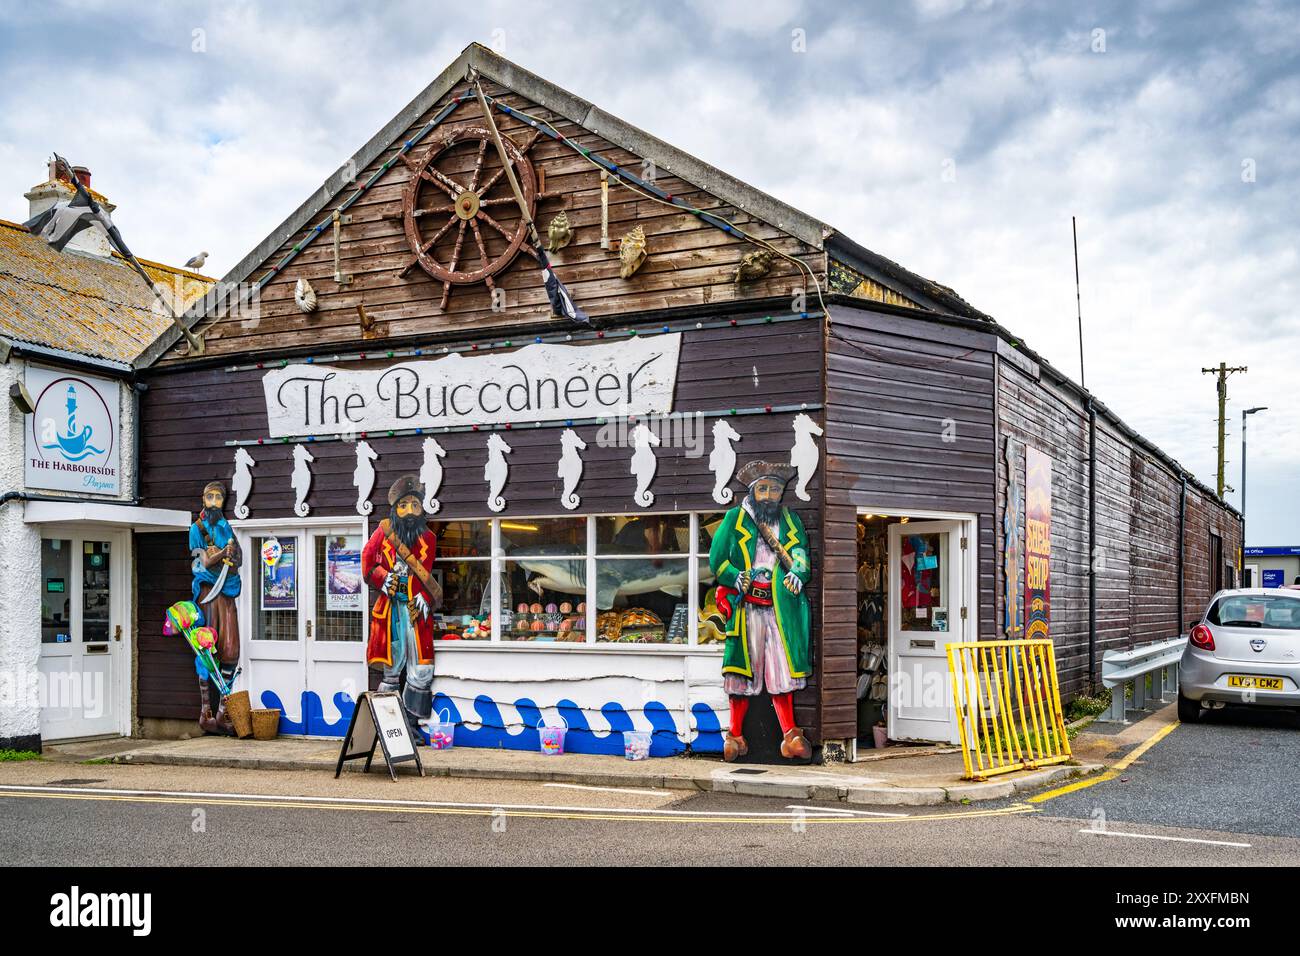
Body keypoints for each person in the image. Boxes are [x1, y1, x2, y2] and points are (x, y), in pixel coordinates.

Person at [708, 460, 812, 761]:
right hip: (747, 608)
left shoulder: (791, 520)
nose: (769, 495)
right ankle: (735, 736)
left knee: (781, 671)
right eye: (763, 489)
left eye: (775, 490)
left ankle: (790, 735)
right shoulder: (734, 518)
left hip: (780, 609)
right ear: (754, 491)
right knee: (744, 672)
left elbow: (801, 553)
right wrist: (734, 576)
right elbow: (718, 560)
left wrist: (798, 573)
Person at [363, 475, 441, 736]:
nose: (410, 511)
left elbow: (427, 575)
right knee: (392, 665)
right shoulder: (382, 533)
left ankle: (412, 724)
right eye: (404, 504)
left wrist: (425, 598)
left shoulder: (428, 538)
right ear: (395, 507)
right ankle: (389, 723)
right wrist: (384, 579)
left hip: (417, 611)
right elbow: (367, 563)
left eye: (415, 505)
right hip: (391, 610)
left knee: (421, 667)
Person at [188, 480, 242, 734]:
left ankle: (224, 710)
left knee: (230, 648)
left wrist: (232, 552)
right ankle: (205, 710)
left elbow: (238, 555)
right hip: (208, 592)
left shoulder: (225, 525)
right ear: (203, 499)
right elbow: (203, 562)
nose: (213, 502)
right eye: (209, 496)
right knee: (206, 646)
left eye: (218, 497)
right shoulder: (196, 528)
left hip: (228, 589)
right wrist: (222, 554)